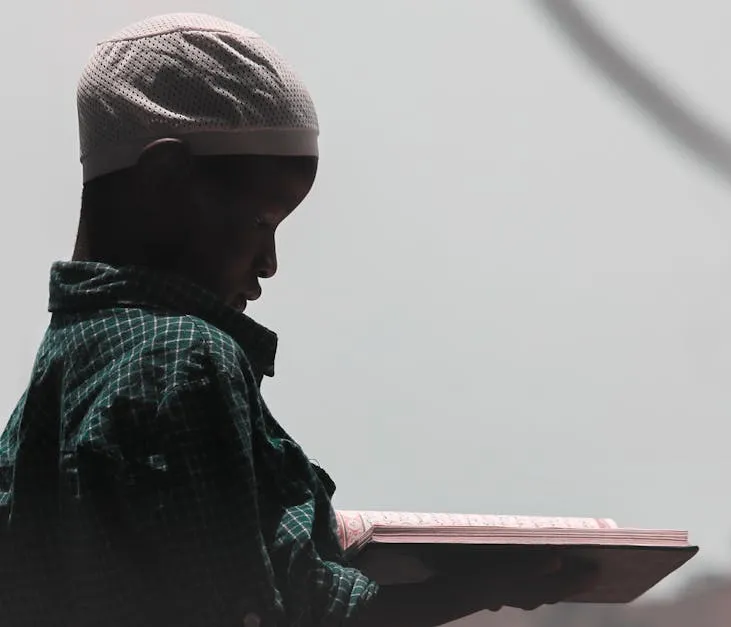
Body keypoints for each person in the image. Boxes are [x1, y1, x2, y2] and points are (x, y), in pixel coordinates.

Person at [0, 13, 597, 627]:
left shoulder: (63, 366)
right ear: (164, 179)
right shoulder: (180, 358)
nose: (269, 262)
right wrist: (482, 585)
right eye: (263, 221)